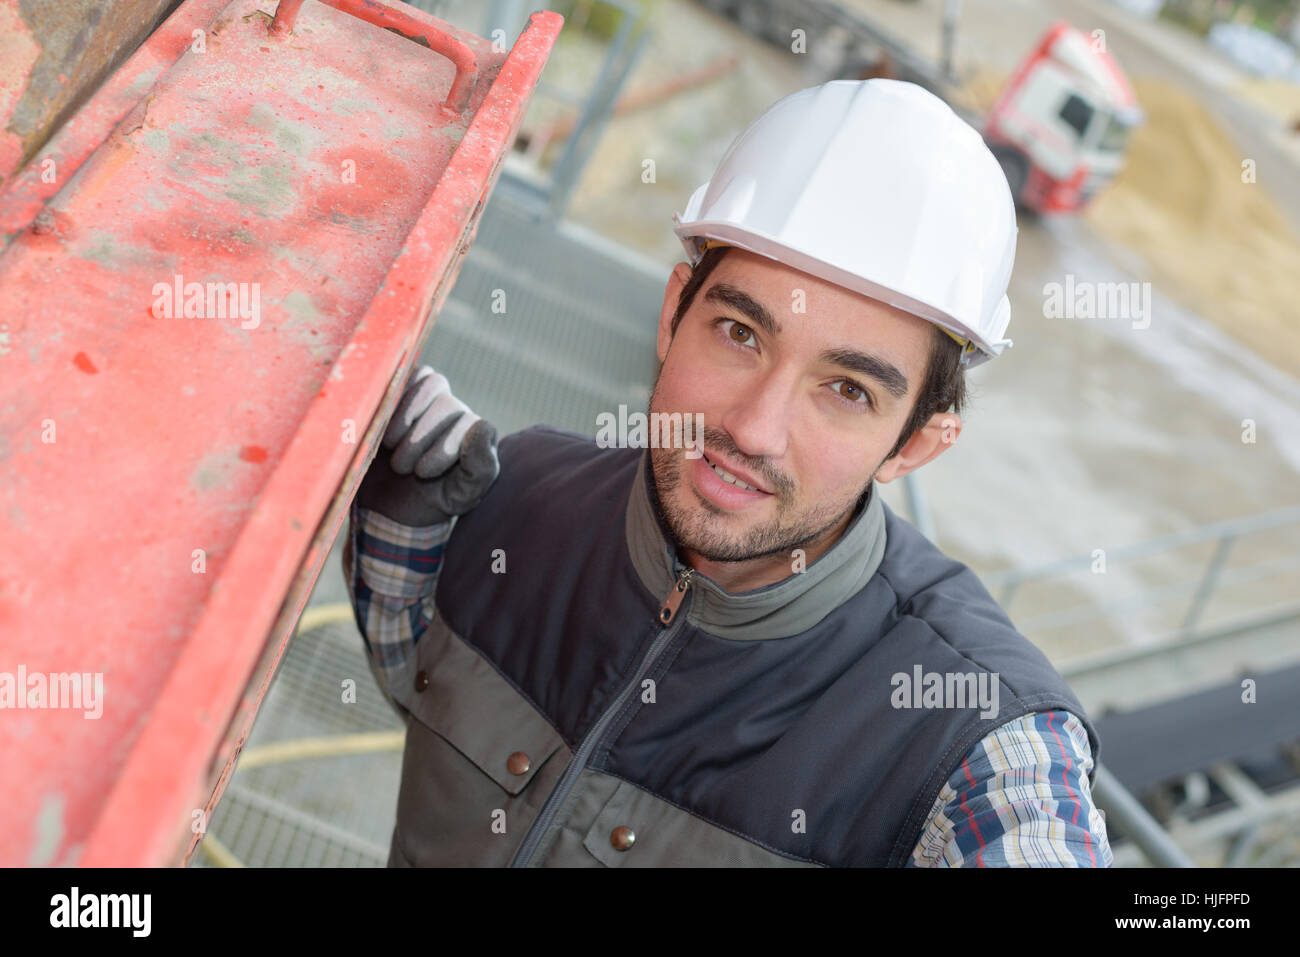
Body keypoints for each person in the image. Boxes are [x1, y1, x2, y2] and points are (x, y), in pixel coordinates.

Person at [343, 78, 1112, 867]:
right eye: (740, 333)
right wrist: (406, 514)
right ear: (676, 310)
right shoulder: (520, 498)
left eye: (846, 391)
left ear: (914, 446)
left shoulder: (966, 732)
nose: (754, 428)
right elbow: (414, 671)